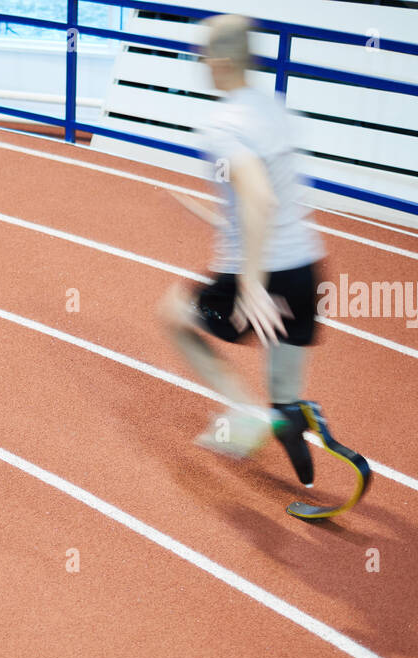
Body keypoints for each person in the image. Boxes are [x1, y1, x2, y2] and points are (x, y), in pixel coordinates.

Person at [160, 13, 321, 489]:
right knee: (286, 399)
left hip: (259, 274)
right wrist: (218, 218)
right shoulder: (275, 109)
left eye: (203, 54)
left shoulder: (222, 122)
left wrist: (250, 285)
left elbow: (258, 196)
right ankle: (292, 437)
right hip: (306, 269)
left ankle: (243, 409)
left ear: (224, 62)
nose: (200, 62)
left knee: (172, 315)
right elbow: (277, 199)